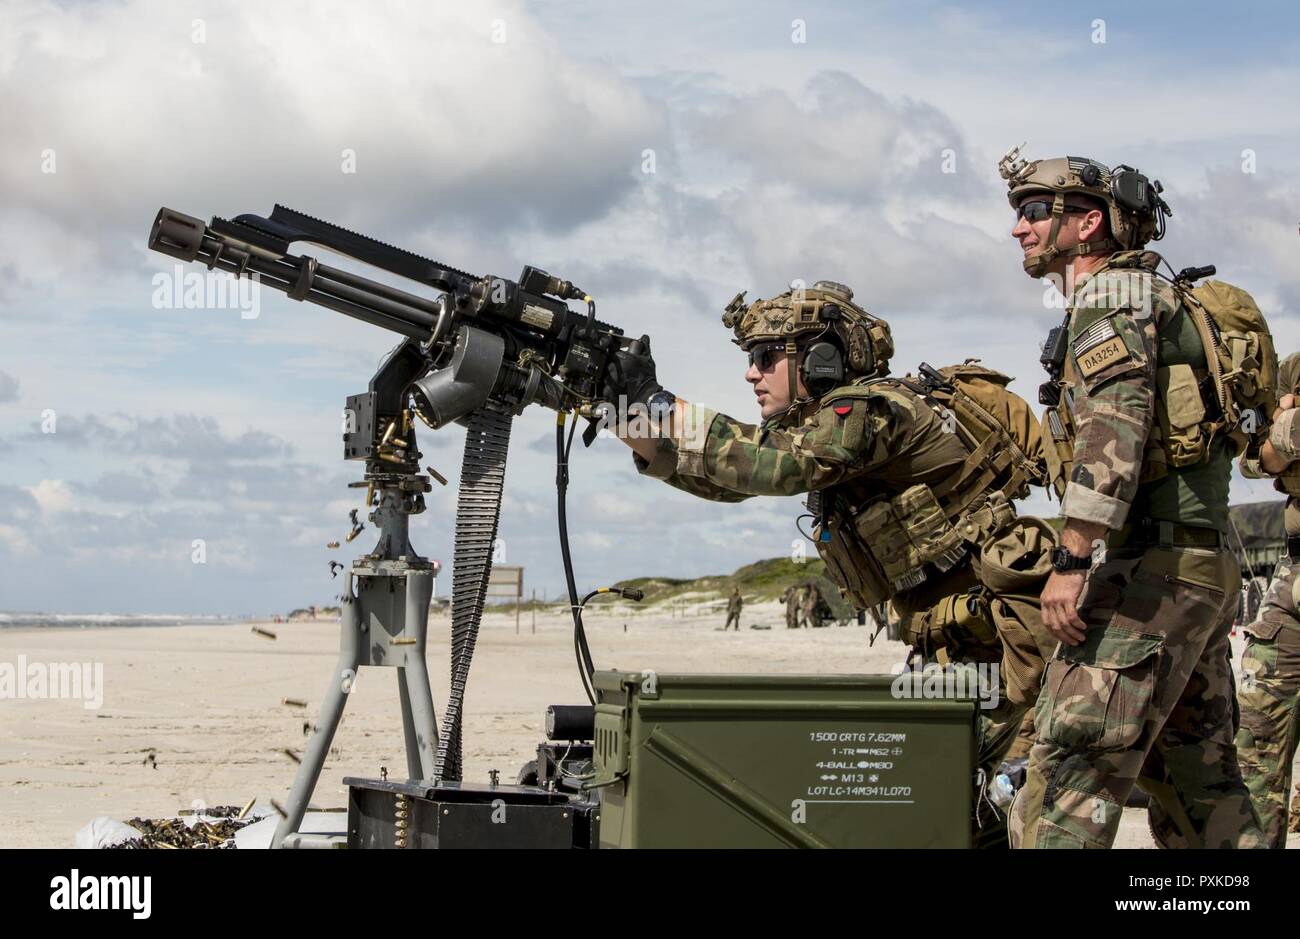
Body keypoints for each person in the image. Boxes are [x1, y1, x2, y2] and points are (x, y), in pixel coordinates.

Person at [599, 279, 1056, 846]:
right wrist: (618, 410)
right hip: (956, 650)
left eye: (766, 357)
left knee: (977, 815)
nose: (751, 374)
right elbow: (723, 476)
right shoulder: (828, 430)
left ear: (820, 359)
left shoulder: (877, 411)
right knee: (948, 816)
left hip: (1009, 656)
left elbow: (774, 466)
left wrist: (655, 404)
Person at [998, 146, 1267, 848]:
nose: (1018, 228)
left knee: (1066, 778)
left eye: (1032, 211)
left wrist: (1072, 556)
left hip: (1150, 572)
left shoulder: (1110, 298)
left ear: (1087, 223)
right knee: (1196, 780)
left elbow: (1113, 436)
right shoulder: (1161, 297)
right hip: (1205, 568)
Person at [1235, 352, 1300, 847]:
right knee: (1257, 728)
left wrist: (1286, 423)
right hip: (1292, 577)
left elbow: (1277, 447)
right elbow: (1254, 459)